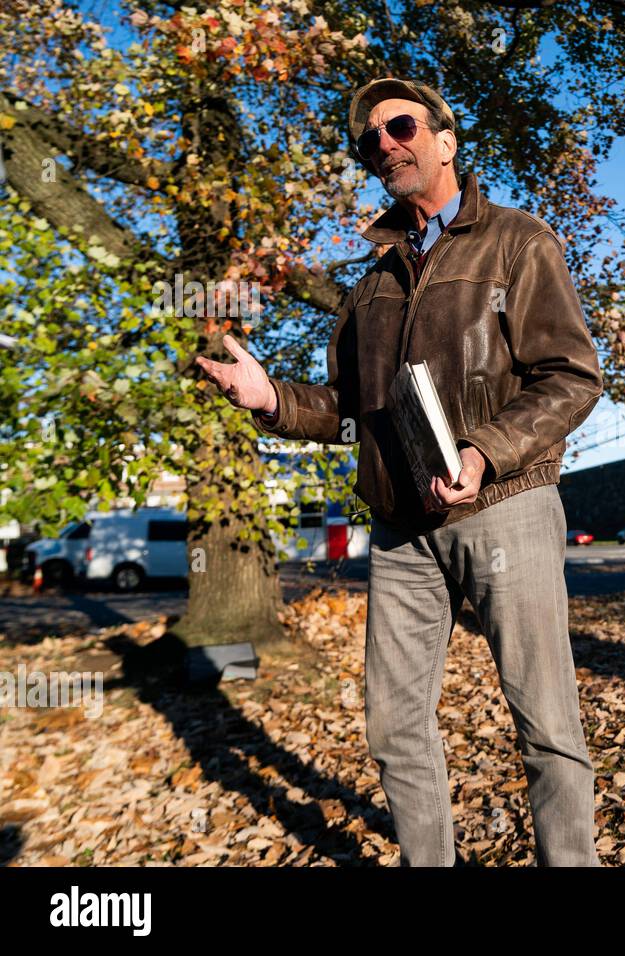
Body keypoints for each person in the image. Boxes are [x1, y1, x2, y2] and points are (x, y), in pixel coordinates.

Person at [195, 77, 604, 867]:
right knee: (392, 724)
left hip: (505, 506)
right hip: (401, 531)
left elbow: (571, 375)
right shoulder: (373, 282)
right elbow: (351, 406)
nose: (384, 144)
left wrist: (486, 451)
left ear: (446, 140)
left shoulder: (518, 241)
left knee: (546, 724)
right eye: (369, 140)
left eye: (401, 126)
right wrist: (269, 397)